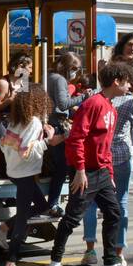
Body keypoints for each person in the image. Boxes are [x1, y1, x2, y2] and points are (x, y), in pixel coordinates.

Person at [42, 61, 133, 266]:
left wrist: (109, 173)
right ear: (116, 81)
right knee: (71, 218)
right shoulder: (93, 104)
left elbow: (104, 145)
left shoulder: (110, 107)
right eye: (127, 82)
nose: (130, 87)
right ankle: (54, 264)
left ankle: (110, 265)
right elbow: (76, 138)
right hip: (85, 171)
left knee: (113, 213)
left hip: (102, 172)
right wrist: (79, 170)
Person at [0, 83, 59, 266]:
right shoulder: (35, 123)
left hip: (13, 171)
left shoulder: (16, 121)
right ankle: (10, 265)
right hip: (26, 172)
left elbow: (6, 146)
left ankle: (2, 228)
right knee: (23, 218)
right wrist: (49, 140)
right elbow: (27, 152)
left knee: (41, 206)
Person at [81, 74, 133, 266]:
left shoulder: (95, 97)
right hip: (121, 154)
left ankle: (90, 250)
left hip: (99, 155)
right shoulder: (131, 100)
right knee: (120, 202)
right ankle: (118, 251)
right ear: (119, 80)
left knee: (90, 204)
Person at [45, 52, 88, 216]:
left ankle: (57, 202)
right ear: (66, 66)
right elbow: (63, 104)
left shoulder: (50, 76)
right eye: (74, 68)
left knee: (60, 165)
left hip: (51, 123)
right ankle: (54, 203)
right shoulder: (60, 79)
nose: (75, 73)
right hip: (57, 124)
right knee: (63, 166)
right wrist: (84, 97)